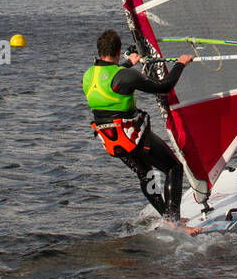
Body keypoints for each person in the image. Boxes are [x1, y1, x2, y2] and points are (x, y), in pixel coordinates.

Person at [82, 29, 194, 222]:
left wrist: (128, 63)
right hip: (133, 137)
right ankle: (175, 222)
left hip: (111, 141)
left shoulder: (88, 74)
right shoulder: (125, 76)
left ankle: (168, 217)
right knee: (173, 168)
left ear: (100, 51)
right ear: (118, 52)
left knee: (145, 174)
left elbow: (110, 78)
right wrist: (180, 64)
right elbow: (163, 87)